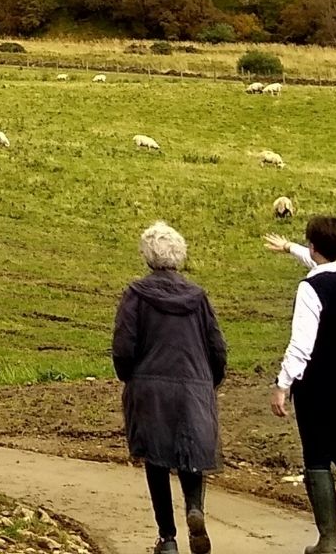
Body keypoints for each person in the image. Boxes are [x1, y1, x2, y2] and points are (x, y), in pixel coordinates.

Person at [265, 217, 336, 554]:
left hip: (320, 389)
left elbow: (301, 345)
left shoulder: (309, 289)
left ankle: (328, 541)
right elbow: (325, 265)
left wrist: (282, 384)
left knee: (317, 457)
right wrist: (290, 248)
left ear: (314, 246)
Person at [113, 222, 227, 554]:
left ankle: (168, 538)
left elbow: (124, 345)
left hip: (150, 387)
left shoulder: (135, 294)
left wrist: (128, 376)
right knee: (191, 451)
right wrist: (211, 381)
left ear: (147, 256)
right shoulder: (198, 297)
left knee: (157, 459)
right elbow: (217, 346)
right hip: (194, 384)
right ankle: (195, 508)